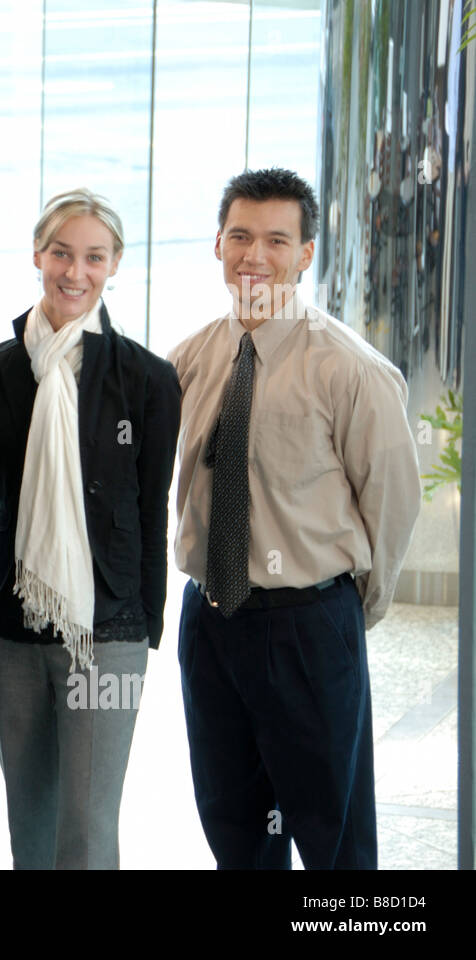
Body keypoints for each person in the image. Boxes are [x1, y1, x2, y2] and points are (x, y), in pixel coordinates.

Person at [169, 168, 421, 869]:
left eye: (277, 240)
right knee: (236, 830)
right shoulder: (189, 359)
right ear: (217, 244)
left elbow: (393, 501)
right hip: (210, 620)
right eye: (241, 236)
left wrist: (343, 611)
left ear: (306, 253)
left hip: (308, 627)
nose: (255, 255)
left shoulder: (349, 369)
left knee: (332, 836)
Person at [0, 189, 181, 869]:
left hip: (109, 625)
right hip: (11, 619)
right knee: (29, 817)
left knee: (87, 827)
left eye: (93, 256)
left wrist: (146, 625)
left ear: (114, 263)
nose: (74, 271)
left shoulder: (148, 380)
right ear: (38, 254)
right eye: (61, 252)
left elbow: (154, 508)